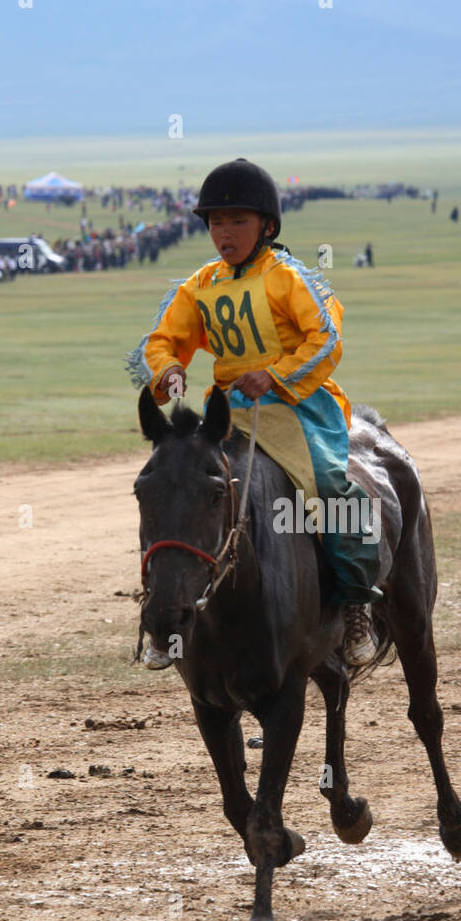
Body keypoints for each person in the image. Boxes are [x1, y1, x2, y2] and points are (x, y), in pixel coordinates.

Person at [126, 158, 381, 666]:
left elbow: (326, 338)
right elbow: (161, 341)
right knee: (175, 484)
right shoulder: (199, 285)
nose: (225, 233)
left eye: (237, 222)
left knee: (328, 488)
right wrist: (167, 371)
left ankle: (355, 605)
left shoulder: (289, 278)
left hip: (300, 405)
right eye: (216, 223)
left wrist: (276, 374)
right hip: (230, 411)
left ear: (266, 226)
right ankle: (164, 612)